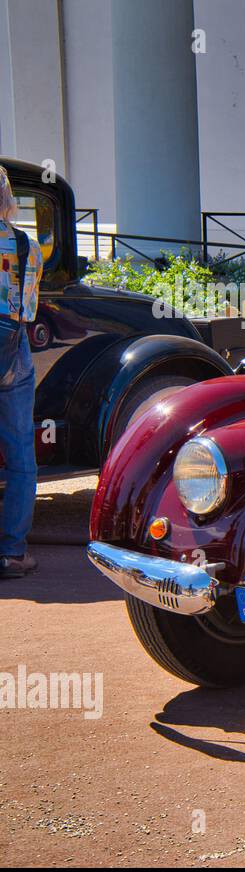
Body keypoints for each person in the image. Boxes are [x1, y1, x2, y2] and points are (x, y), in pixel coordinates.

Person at [0, 164, 43, 579]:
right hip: (12, 352)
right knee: (20, 457)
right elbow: (27, 310)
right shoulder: (25, 245)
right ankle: (12, 553)